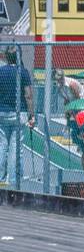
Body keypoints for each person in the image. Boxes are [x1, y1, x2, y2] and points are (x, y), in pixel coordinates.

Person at [0, 47, 35, 188]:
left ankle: (1, 178)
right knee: (16, 147)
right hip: (18, 113)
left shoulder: (1, 71)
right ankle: (14, 179)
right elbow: (28, 95)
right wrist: (31, 115)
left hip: (2, 112)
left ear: (7, 57)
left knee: (2, 146)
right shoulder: (23, 72)